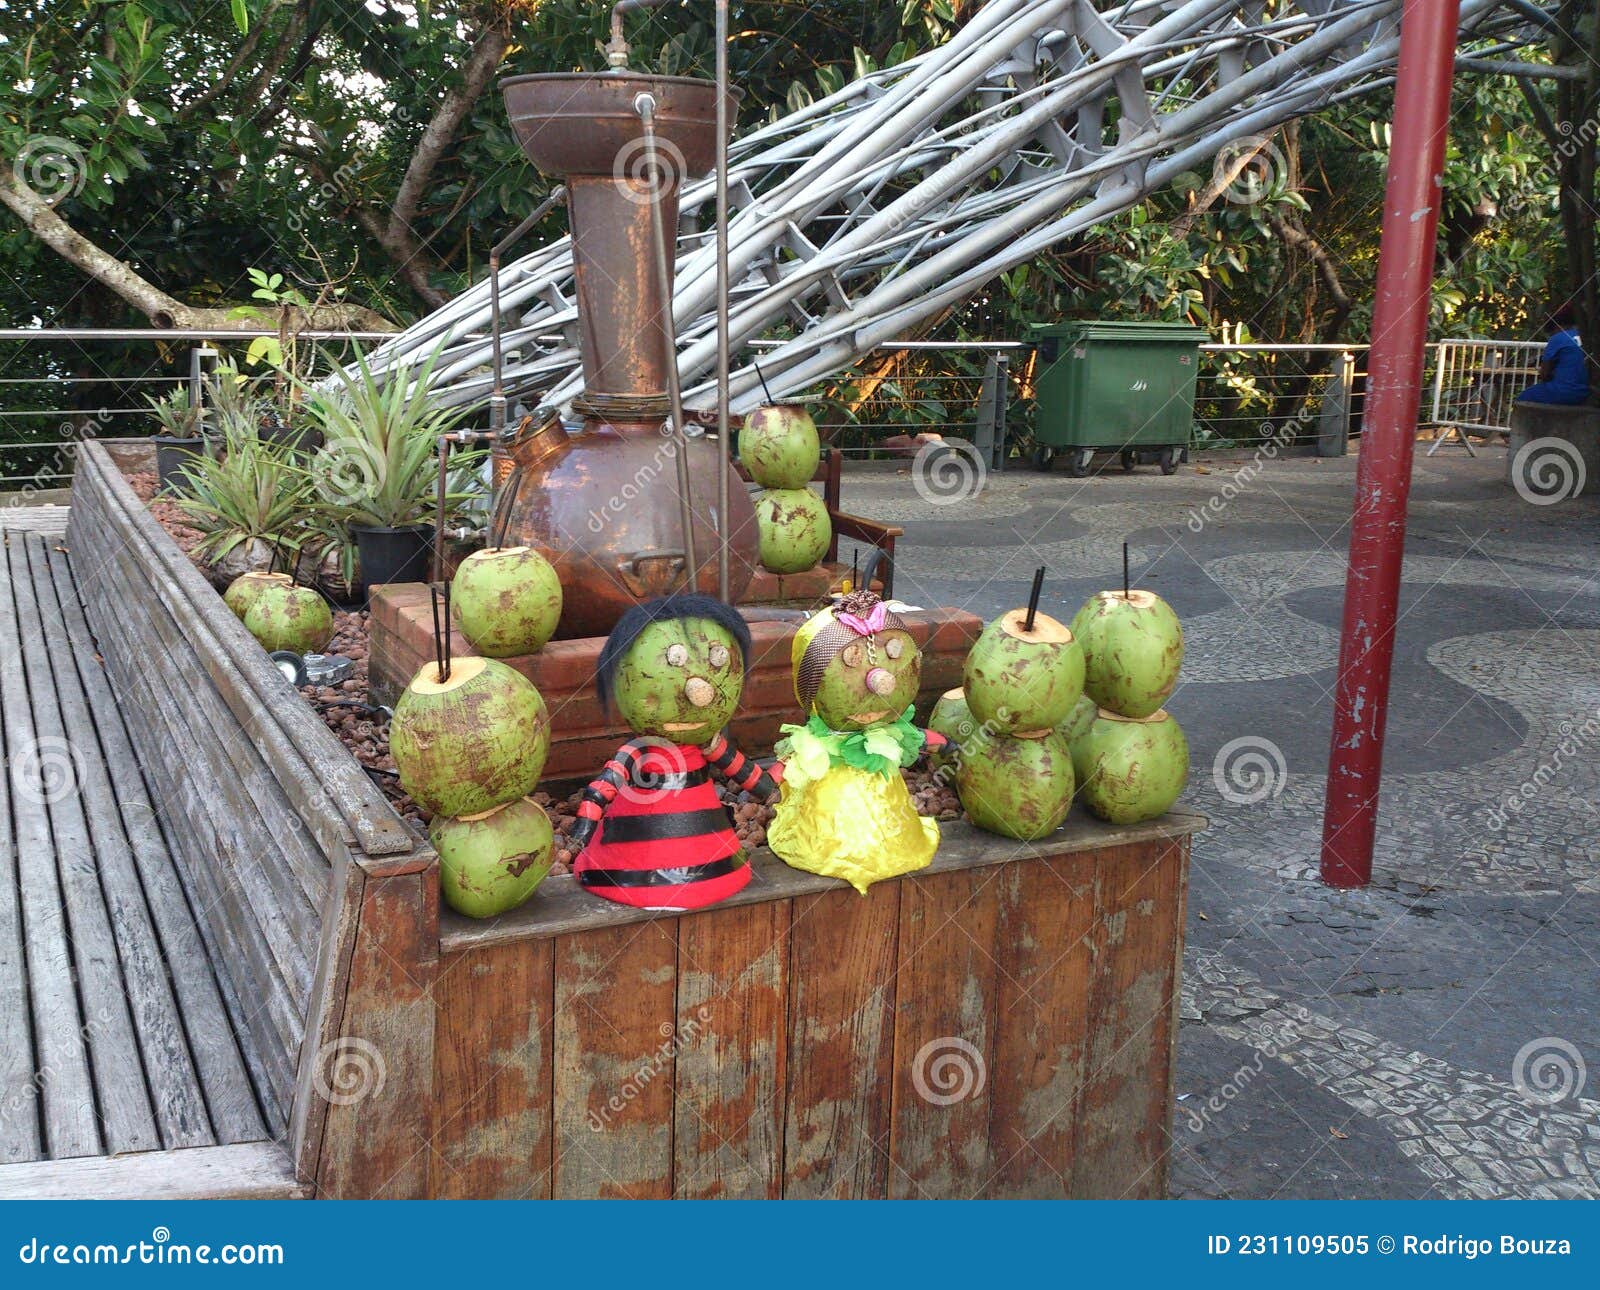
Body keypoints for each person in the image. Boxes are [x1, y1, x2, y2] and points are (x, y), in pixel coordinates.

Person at [1517, 304, 1590, 406]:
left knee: (1522, 398)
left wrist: (1546, 372)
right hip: (1584, 391)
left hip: (1561, 390)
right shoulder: (1586, 338)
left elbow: (1544, 374)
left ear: (1556, 327)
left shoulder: (1557, 338)